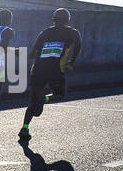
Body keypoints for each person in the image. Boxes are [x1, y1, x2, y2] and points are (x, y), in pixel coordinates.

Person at [19, 8, 83, 142]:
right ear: (67, 20)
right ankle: (44, 99)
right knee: (59, 95)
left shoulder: (45, 32)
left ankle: (25, 128)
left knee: (34, 105)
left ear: (53, 19)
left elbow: (31, 54)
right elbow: (78, 45)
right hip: (56, 70)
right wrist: (72, 61)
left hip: (38, 69)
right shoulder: (73, 33)